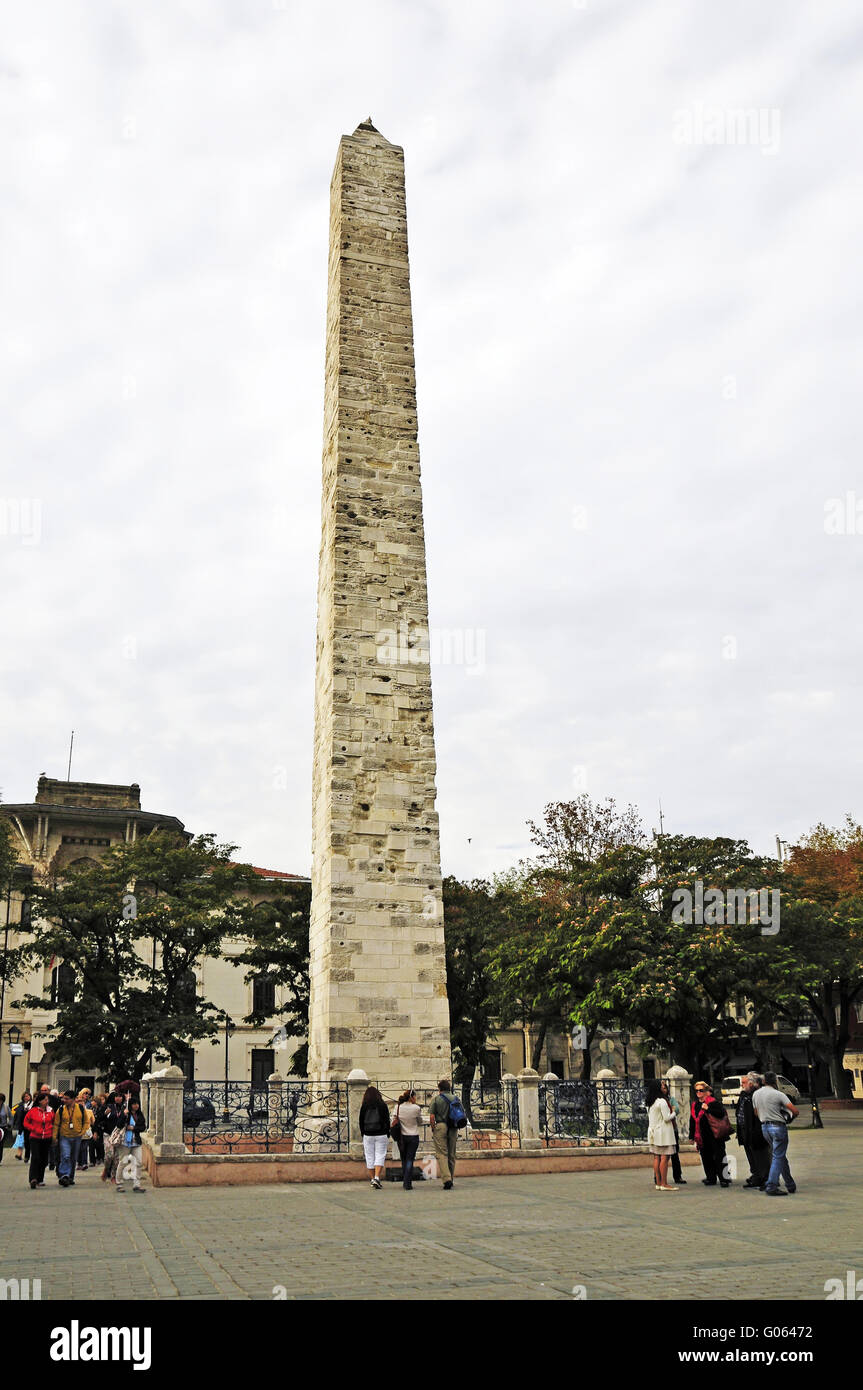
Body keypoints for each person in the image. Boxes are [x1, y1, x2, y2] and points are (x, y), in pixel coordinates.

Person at [752, 1070, 799, 1196]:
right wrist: (789, 1118)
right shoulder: (778, 1094)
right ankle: (772, 1185)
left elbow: (756, 1112)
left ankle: (790, 1184)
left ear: (763, 1081)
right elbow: (795, 1110)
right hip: (778, 1126)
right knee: (778, 1156)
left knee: (779, 1155)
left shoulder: (756, 1094)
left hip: (765, 1127)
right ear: (775, 1081)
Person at [689, 1081, 731, 1187]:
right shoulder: (695, 1105)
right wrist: (691, 1135)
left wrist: (708, 1109)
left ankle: (724, 1179)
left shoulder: (713, 1102)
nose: (698, 1092)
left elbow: (721, 1114)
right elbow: (692, 1121)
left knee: (719, 1157)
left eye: (701, 1090)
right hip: (702, 1136)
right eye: (697, 1090)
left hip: (715, 1135)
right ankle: (711, 1178)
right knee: (706, 1157)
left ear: (707, 1092)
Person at [736, 1072, 770, 1189]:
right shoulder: (744, 1095)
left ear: (751, 1083)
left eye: (744, 1082)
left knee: (761, 1155)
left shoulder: (756, 1095)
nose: (742, 1085)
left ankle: (765, 1178)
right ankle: (756, 1176)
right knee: (751, 1154)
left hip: (756, 1130)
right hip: (745, 1129)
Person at [646, 1079, 679, 1191]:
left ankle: (659, 1182)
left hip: (653, 1132)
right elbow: (666, 1118)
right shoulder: (662, 1101)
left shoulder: (650, 1102)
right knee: (665, 1157)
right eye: (661, 1086)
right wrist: (674, 1113)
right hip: (663, 1133)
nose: (663, 1087)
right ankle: (664, 1183)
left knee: (657, 1157)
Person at [53, 1090, 90, 1186]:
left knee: (73, 1158)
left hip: (77, 1137)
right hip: (64, 1136)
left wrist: (82, 1131)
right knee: (65, 1156)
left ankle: (70, 1177)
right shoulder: (60, 1110)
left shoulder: (81, 1109)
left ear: (73, 1099)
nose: (64, 1100)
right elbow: (56, 1124)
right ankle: (64, 1175)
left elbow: (86, 1121)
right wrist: (54, 1137)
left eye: (67, 1099)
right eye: (63, 1098)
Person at [110, 1097, 147, 1193]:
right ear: (130, 1105)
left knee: (139, 1162)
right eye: (134, 1104)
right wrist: (123, 1115)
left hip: (136, 1142)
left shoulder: (139, 1115)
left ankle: (137, 1184)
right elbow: (119, 1125)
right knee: (123, 1162)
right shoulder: (125, 1113)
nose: (136, 1106)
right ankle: (119, 1183)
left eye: (137, 1104)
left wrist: (134, 1128)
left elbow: (143, 1127)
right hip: (125, 1142)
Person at [358, 1086, 390, 1189]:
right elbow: (387, 1120)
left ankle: (372, 1179)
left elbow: (360, 1121)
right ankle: (377, 1177)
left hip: (368, 1134)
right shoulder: (382, 1105)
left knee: (369, 1156)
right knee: (380, 1155)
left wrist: (363, 1133)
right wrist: (387, 1132)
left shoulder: (365, 1105)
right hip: (381, 1134)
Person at [429, 1079, 458, 1191]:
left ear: (439, 1088)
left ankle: (447, 1179)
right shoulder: (455, 1098)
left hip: (441, 1126)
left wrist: (433, 1127)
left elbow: (432, 1116)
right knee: (451, 1153)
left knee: (442, 1153)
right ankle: (451, 1177)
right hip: (453, 1127)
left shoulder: (436, 1099)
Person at [23, 1091, 55, 1189]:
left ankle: (40, 1179)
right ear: (40, 1101)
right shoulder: (33, 1111)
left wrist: (53, 1132)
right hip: (35, 1137)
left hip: (47, 1137)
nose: (47, 1101)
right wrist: (33, 1128)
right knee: (36, 1157)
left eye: (47, 1099)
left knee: (44, 1159)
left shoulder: (51, 1111)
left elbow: (54, 1122)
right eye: (45, 1100)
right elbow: (25, 1122)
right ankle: (33, 1178)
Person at [394, 1088, 423, 1191]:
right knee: (410, 1159)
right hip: (413, 1136)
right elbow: (420, 1122)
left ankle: (405, 1181)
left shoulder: (397, 1107)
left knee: (404, 1159)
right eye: (415, 1096)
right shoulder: (416, 1108)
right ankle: (408, 1183)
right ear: (412, 1097)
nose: (416, 1098)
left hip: (401, 1137)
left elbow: (394, 1120)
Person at [661, 1080, 687, 1184]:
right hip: (662, 1130)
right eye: (662, 1088)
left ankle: (678, 1176)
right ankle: (658, 1177)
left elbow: (676, 1109)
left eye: (665, 1088)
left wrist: (671, 1110)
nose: (664, 1090)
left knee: (675, 1154)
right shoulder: (657, 1101)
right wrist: (671, 1110)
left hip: (673, 1129)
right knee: (661, 1154)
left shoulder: (670, 1099)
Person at [75, 1089, 95, 1171]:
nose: (81, 1104)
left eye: (82, 1103)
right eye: (79, 1103)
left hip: (86, 1132)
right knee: (78, 1148)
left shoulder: (89, 1111)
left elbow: (93, 1122)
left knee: (84, 1148)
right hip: (77, 1132)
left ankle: (84, 1163)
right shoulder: (74, 1112)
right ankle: (79, 1163)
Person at [13, 1091, 33, 1162]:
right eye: (25, 1096)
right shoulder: (20, 1105)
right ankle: (24, 1156)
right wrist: (15, 1123)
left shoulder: (32, 1105)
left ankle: (27, 1155)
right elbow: (17, 1115)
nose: (26, 1098)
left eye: (27, 1096)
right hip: (22, 1126)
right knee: (24, 1141)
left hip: (30, 1126)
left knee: (29, 1141)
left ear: (30, 1097)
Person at [0, 1093, 11, 1163]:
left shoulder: (6, 1108)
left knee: (1, 1145)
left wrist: (9, 1125)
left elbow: (11, 1118)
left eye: (0, 1100)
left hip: (3, 1128)